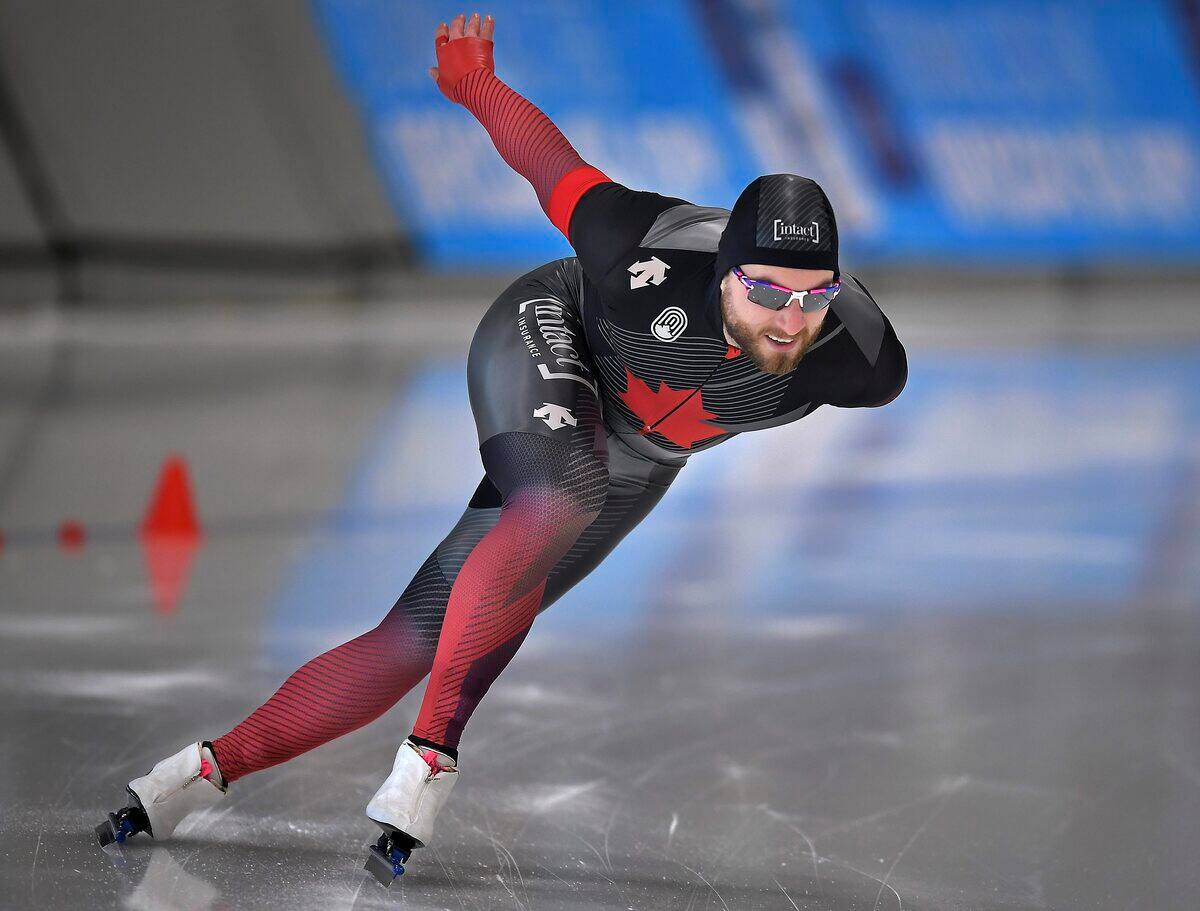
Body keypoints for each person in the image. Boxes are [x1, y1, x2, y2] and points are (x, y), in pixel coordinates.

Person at [96, 11, 907, 885]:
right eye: (764, 291)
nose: (790, 320)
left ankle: (188, 777)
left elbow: (825, 330)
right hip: (551, 334)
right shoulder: (638, 251)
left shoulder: (858, 355)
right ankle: (430, 759)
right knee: (563, 493)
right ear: (721, 276)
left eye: (811, 295)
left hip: (638, 460)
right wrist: (475, 82)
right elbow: (550, 164)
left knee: (425, 635)